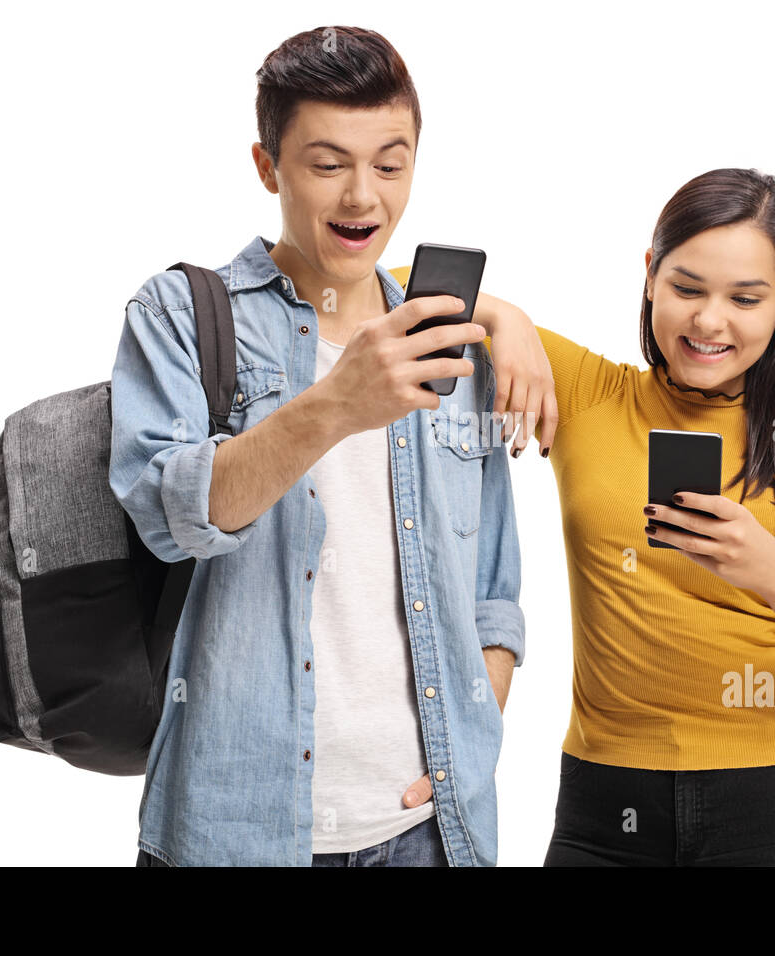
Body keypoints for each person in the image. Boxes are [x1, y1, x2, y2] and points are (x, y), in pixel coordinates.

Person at [111, 25, 554, 867]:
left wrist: (470, 739)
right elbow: (171, 517)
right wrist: (335, 405)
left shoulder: (458, 346)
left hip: (431, 833)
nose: (363, 197)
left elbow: (494, 587)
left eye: (390, 164)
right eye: (327, 164)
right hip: (233, 830)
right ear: (267, 166)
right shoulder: (178, 316)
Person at [497, 168, 775, 865]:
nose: (707, 321)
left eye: (745, 298)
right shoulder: (586, 395)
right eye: (686, 288)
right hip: (606, 811)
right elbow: (382, 289)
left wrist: (770, 570)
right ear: (649, 275)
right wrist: (502, 317)